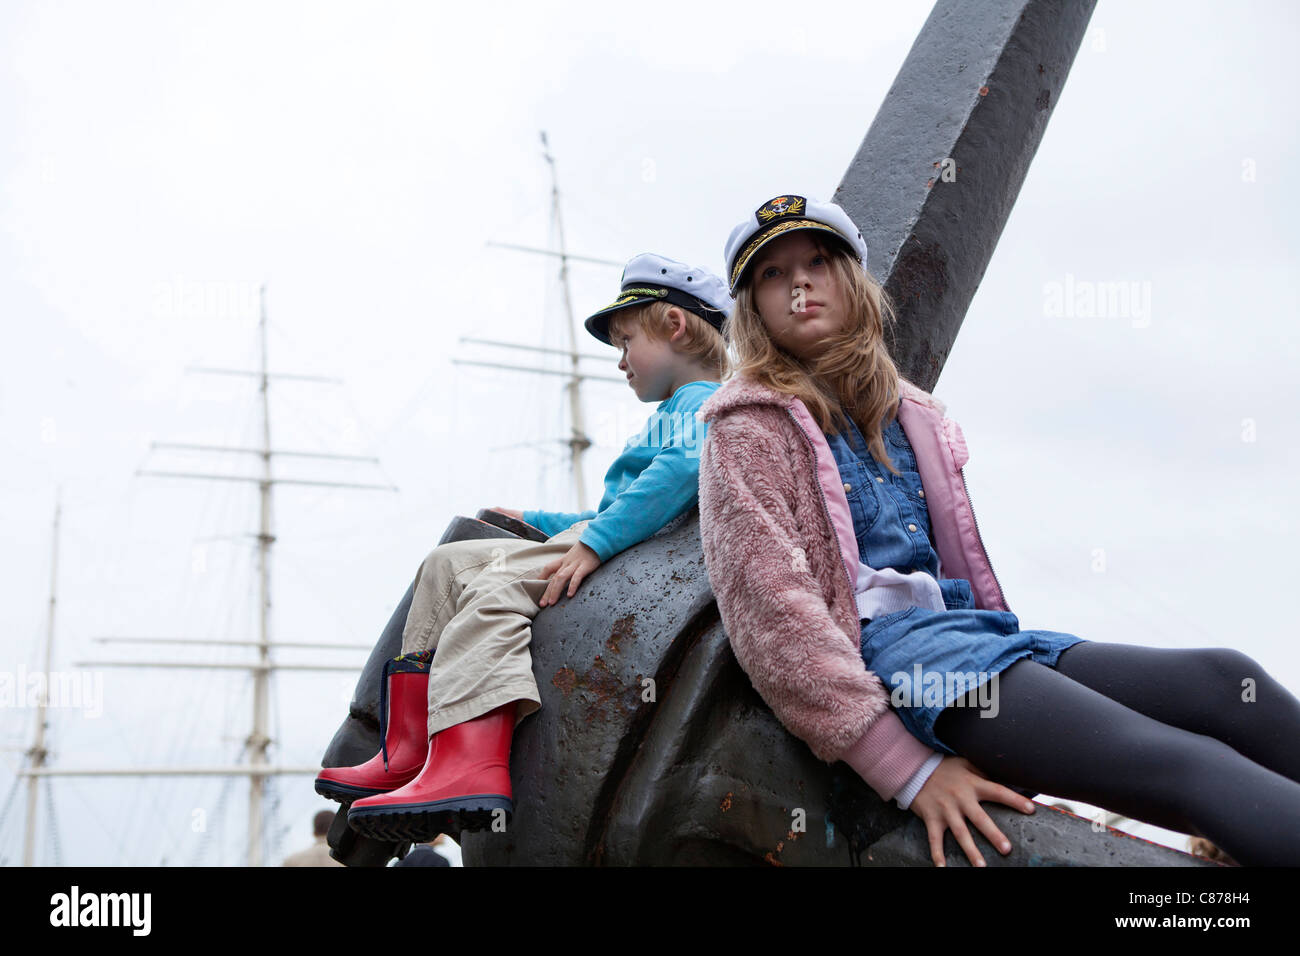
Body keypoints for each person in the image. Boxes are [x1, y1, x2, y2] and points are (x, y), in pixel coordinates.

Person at [696, 193, 1300, 867]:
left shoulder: (910, 415)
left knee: (1224, 683)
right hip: (909, 663)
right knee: (1178, 765)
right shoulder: (745, 429)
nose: (799, 283)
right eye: (772, 275)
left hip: (982, 636)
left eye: (816, 262)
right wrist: (906, 767)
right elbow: (772, 616)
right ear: (752, 307)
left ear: (852, 282)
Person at [316, 253, 731, 844]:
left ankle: (470, 756)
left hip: (636, 553)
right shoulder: (672, 412)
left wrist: (595, 542)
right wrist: (535, 519)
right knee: (444, 567)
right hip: (614, 536)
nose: (620, 362)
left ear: (675, 327)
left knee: (491, 594)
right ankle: (409, 744)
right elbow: (617, 505)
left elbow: (680, 474)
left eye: (626, 341)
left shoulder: (705, 404)